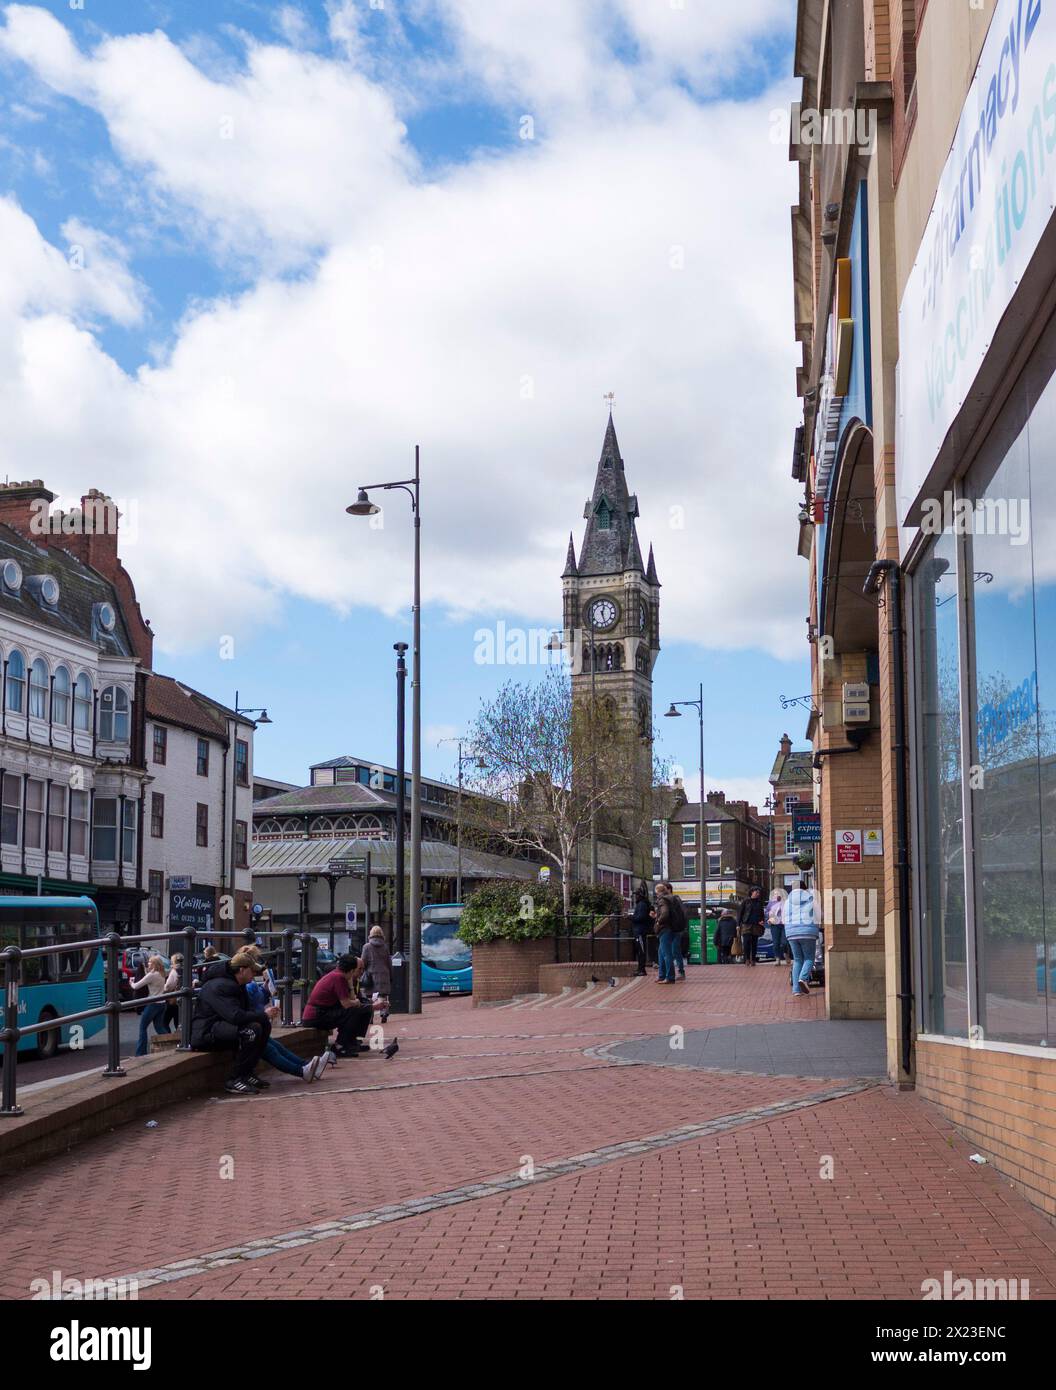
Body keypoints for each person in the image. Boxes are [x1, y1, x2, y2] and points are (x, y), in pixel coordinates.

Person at [191, 949, 271, 1093]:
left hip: (220, 1025)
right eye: (252, 971)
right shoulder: (221, 986)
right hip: (207, 1030)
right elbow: (234, 1016)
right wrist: (263, 1014)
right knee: (251, 1031)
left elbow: (242, 1012)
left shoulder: (236, 984)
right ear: (242, 970)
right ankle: (235, 1079)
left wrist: (263, 1016)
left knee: (263, 1024)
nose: (255, 974)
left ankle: (247, 1073)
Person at [303, 953, 378, 1056]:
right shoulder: (339, 978)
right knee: (353, 1011)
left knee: (362, 1009)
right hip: (317, 1015)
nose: (360, 972)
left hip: (321, 1013)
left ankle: (351, 1042)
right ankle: (340, 1045)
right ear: (351, 970)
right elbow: (347, 1004)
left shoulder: (337, 975)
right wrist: (356, 1002)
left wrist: (351, 984)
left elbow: (351, 998)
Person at [784, 879, 820, 997]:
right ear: (805, 888)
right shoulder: (811, 899)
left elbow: (783, 919)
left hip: (791, 933)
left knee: (798, 960)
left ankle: (796, 990)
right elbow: (821, 915)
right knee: (809, 958)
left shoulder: (787, 901)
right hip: (808, 932)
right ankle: (803, 978)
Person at [131, 954, 169, 1055]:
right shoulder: (162, 973)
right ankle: (171, 1045)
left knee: (143, 1027)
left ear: (154, 964)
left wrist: (131, 982)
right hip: (162, 1003)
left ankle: (140, 1052)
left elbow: (136, 986)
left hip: (153, 1004)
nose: (148, 963)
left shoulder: (151, 975)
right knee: (159, 1027)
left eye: (150, 962)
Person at [653, 883, 686, 983]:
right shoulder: (672, 898)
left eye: (656, 893)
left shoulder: (663, 900)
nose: (656, 895)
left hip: (665, 929)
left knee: (667, 953)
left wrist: (658, 921)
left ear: (658, 892)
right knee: (661, 952)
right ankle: (662, 975)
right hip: (673, 928)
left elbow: (665, 913)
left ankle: (669, 977)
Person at [360, 926, 393, 1022]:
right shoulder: (385, 946)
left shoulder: (366, 947)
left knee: (370, 996)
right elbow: (389, 962)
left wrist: (361, 972)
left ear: (371, 934)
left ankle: (370, 1016)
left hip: (370, 975)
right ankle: (384, 1013)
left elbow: (363, 961)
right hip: (384, 974)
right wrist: (391, 975)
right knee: (382, 995)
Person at [737, 887, 765, 967]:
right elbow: (740, 913)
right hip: (746, 925)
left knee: (754, 943)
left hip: (756, 925)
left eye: (758, 893)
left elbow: (762, 913)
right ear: (752, 892)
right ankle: (747, 959)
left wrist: (762, 920)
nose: (758, 894)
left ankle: (753, 960)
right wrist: (738, 925)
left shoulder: (759, 902)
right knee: (746, 942)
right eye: (756, 892)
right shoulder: (746, 901)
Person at [631, 885, 652, 976]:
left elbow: (640, 917)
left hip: (640, 931)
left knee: (641, 950)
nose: (635, 896)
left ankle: (642, 970)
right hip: (639, 930)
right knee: (639, 950)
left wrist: (630, 917)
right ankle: (640, 969)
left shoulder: (642, 904)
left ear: (640, 895)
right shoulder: (641, 904)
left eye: (636, 895)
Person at [162, 954, 183, 1033]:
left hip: (173, 1000)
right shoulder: (185, 969)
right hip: (182, 999)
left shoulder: (174, 971)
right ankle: (180, 1039)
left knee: (164, 1022)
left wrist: (161, 989)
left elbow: (168, 986)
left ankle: (168, 1038)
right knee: (177, 1021)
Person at [767, 891, 789, 964]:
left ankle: (786, 953)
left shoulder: (786, 902)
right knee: (776, 943)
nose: (777, 895)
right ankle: (777, 958)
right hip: (774, 925)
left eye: (779, 894)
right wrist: (769, 918)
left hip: (784, 924)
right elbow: (767, 913)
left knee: (785, 942)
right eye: (776, 894)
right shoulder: (771, 903)